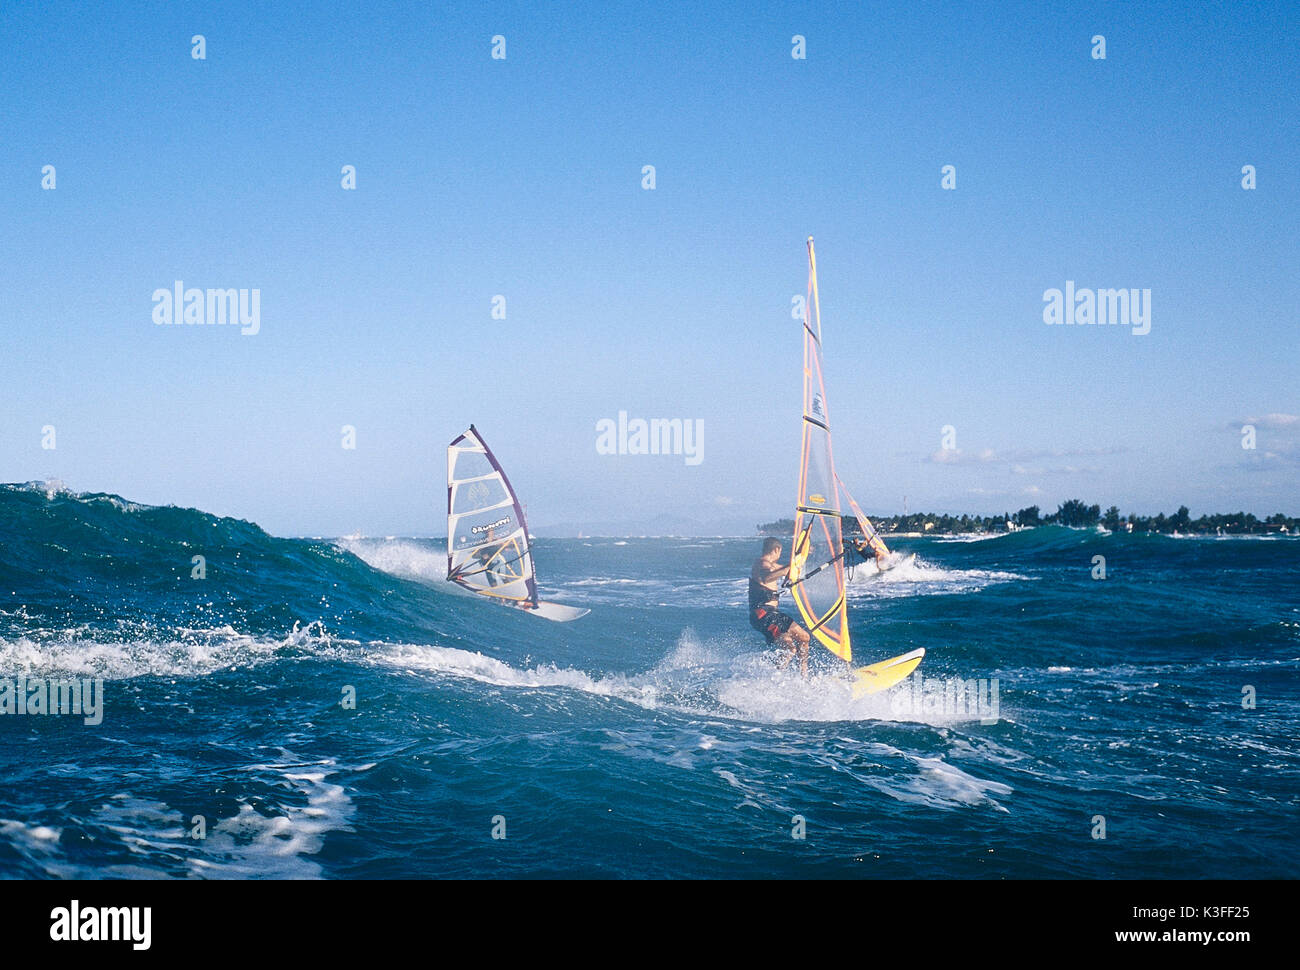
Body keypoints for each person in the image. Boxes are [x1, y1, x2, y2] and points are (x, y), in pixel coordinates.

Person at [749, 537, 811, 676]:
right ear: (777, 550)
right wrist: (788, 569)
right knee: (797, 643)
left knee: (797, 643)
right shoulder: (762, 564)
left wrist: (803, 554)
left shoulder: (767, 564)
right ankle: (791, 678)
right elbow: (767, 577)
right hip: (764, 614)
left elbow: (786, 568)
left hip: (768, 615)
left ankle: (796, 676)